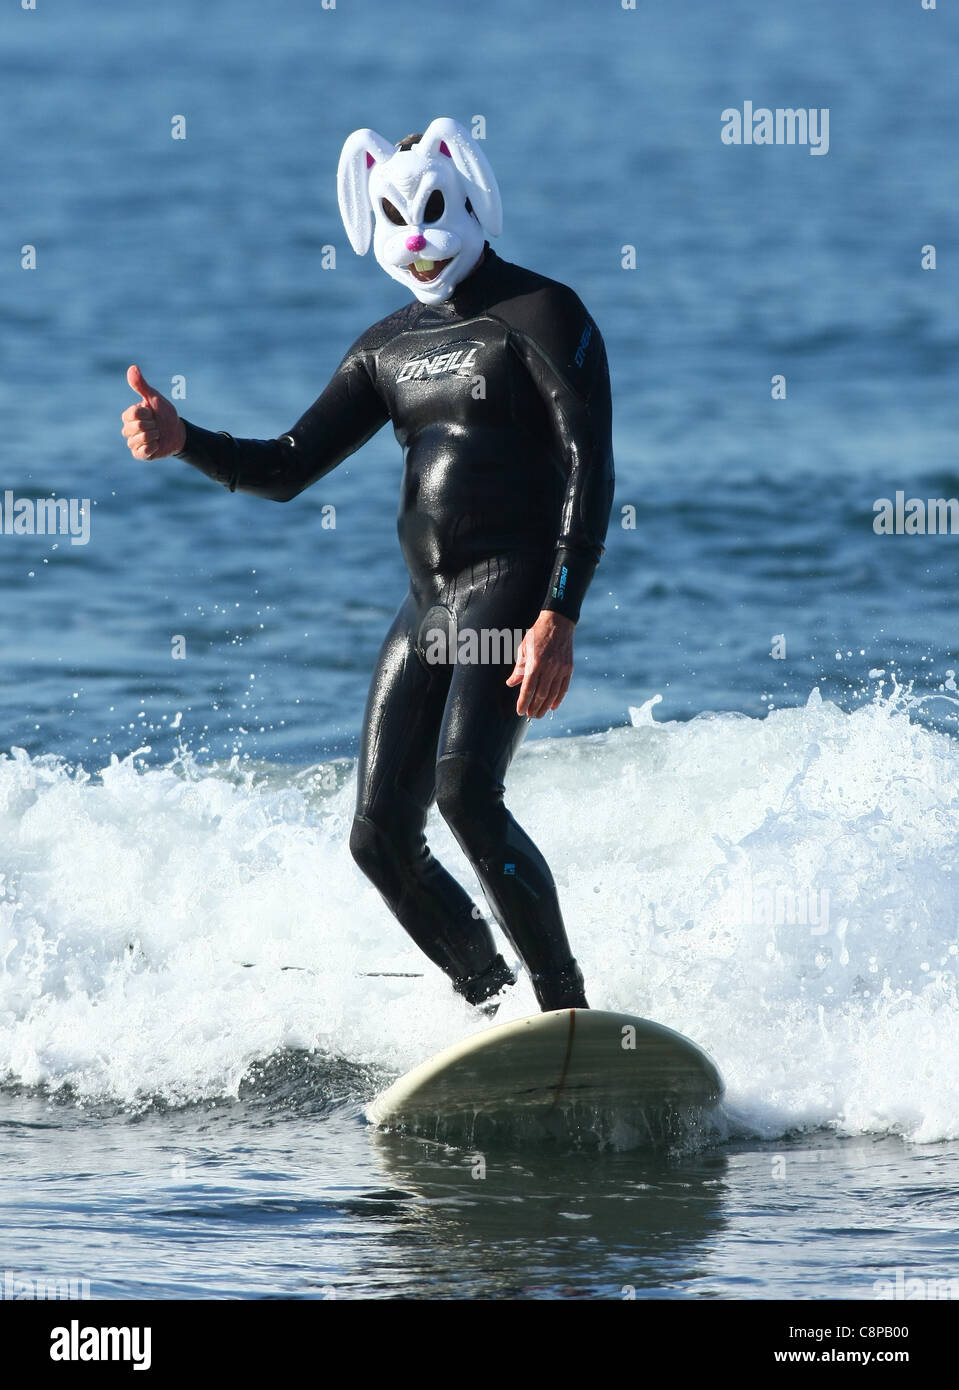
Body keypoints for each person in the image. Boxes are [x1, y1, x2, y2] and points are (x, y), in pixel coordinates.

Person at [121, 118, 614, 1014]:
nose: (420, 237)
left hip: (512, 584)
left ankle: (566, 1009)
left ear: (467, 198)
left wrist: (559, 612)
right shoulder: (384, 345)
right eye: (399, 217)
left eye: (432, 212)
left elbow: (589, 463)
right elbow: (286, 465)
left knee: (466, 793)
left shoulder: (544, 313)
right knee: (379, 838)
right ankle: (496, 1006)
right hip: (427, 604)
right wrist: (184, 440)